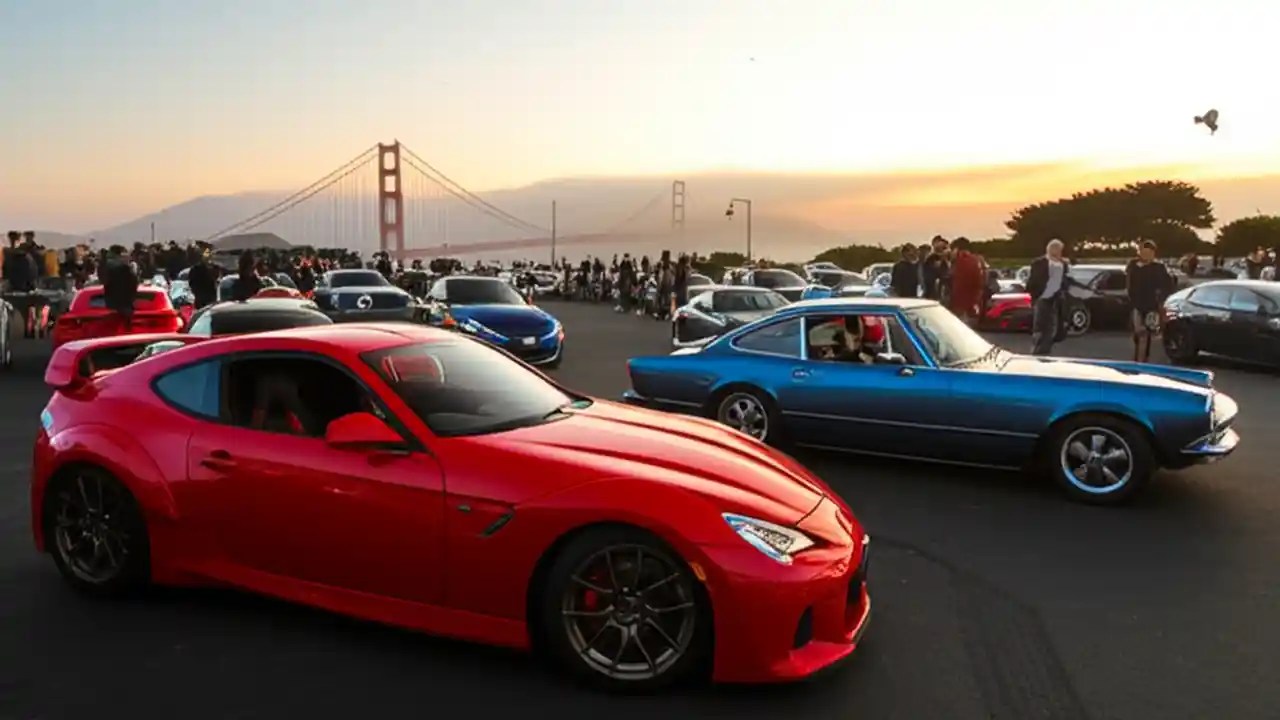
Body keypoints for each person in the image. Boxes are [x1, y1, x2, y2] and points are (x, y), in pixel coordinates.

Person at [1125, 240, 1175, 363]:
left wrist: (1161, 299)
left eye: (1149, 252)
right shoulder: (1133, 265)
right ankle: (1138, 356)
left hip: (1152, 305)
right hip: (1136, 304)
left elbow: (1168, 285)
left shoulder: (1158, 267)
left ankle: (1143, 359)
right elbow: (1129, 284)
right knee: (1138, 333)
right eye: (1143, 251)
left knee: (1146, 333)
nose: (1146, 255)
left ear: (1153, 253)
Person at [1026, 239, 1069, 356]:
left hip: (1056, 300)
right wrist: (1037, 296)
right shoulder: (1039, 263)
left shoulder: (1063, 265)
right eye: (1060, 250)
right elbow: (1032, 283)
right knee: (1040, 329)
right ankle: (1037, 353)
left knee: (1053, 330)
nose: (1061, 253)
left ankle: (1046, 352)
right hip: (1043, 299)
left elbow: (1064, 281)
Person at [101, 245, 139, 328]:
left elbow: (105, 282)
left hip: (112, 305)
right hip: (125, 304)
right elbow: (134, 284)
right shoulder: (126, 268)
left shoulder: (108, 267)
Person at [948, 237, 984, 325]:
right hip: (972, 302)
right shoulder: (975, 260)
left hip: (960, 303)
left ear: (957, 249)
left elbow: (957, 285)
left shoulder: (961, 261)